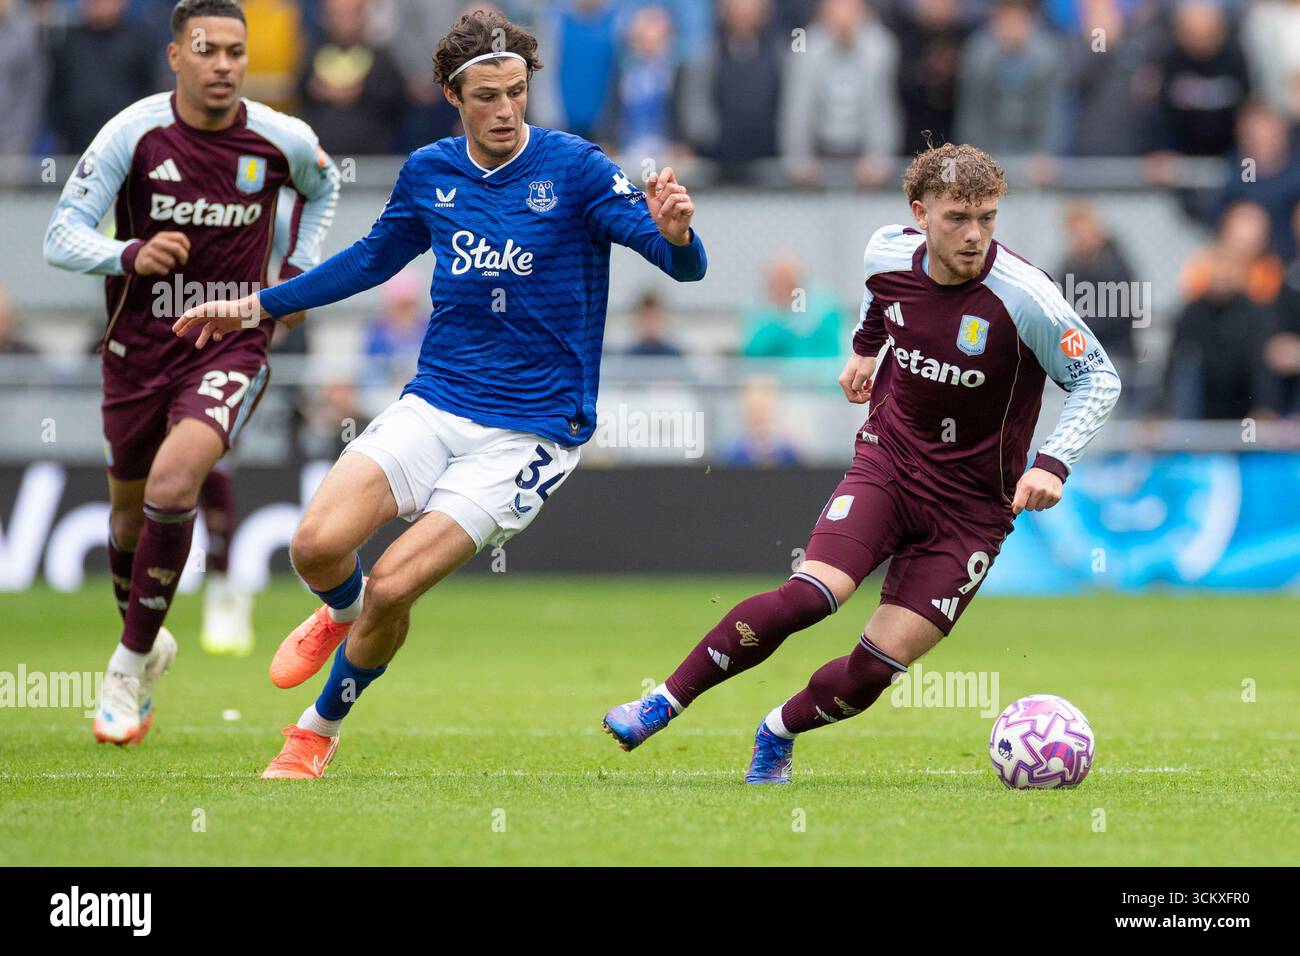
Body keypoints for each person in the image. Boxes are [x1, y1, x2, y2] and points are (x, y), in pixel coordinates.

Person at [174, 9, 707, 780]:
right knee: (315, 546)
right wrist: (260, 304)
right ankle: (342, 612)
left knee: (393, 583)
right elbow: (369, 259)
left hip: (532, 431)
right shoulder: (430, 172)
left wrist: (680, 233)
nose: (504, 111)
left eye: (516, 93)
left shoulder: (579, 168)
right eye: (485, 96)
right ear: (454, 98)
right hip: (437, 401)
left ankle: (315, 731)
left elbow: (679, 265)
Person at [602, 142, 1122, 783]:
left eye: (987, 218)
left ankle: (777, 730)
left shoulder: (1026, 298)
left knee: (878, 666)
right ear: (920, 212)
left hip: (973, 511)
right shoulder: (885, 250)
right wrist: (866, 348)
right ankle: (663, 701)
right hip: (890, 464)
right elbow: (882, 298)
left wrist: (1053, 463)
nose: (975, 234)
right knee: (810, 597)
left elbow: (1099, 378)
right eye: (958, 218)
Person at [43, 0, 340, 745]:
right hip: (136, 351)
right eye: (207, 50)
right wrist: (128, 252)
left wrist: (294, 273)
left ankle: (128, 664)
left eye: (236, 52)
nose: (224, 65)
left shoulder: (280, 138)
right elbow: (59, 235)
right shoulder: (133, 134)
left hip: (227, 344)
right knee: (125, 513)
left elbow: (324, 186)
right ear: (176, 56)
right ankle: (148, 641)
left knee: (177, 486)